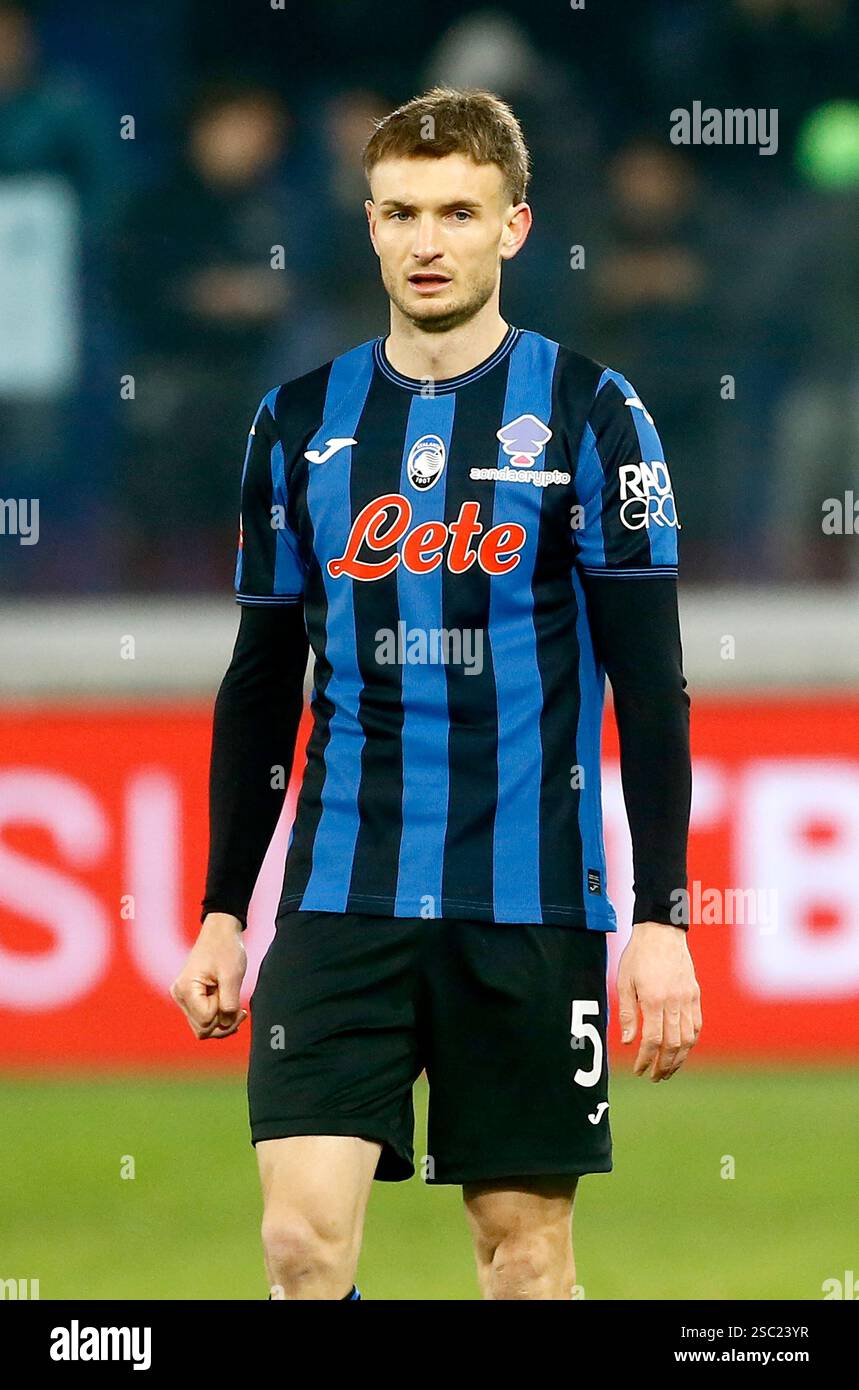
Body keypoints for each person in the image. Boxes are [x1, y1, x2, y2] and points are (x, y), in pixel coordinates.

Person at [170, 87, 701, 1302]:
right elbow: (260, 681)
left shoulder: (594, 414)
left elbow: (650, 685)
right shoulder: (295, 422)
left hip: (526, 908)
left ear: (513, 227)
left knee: (522, 1260)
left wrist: (662, 915)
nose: (426, 240)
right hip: (339, 896)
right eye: (402, 212)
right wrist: (218, 906)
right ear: (367, 225)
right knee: (301, 1249)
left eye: (457, 212)